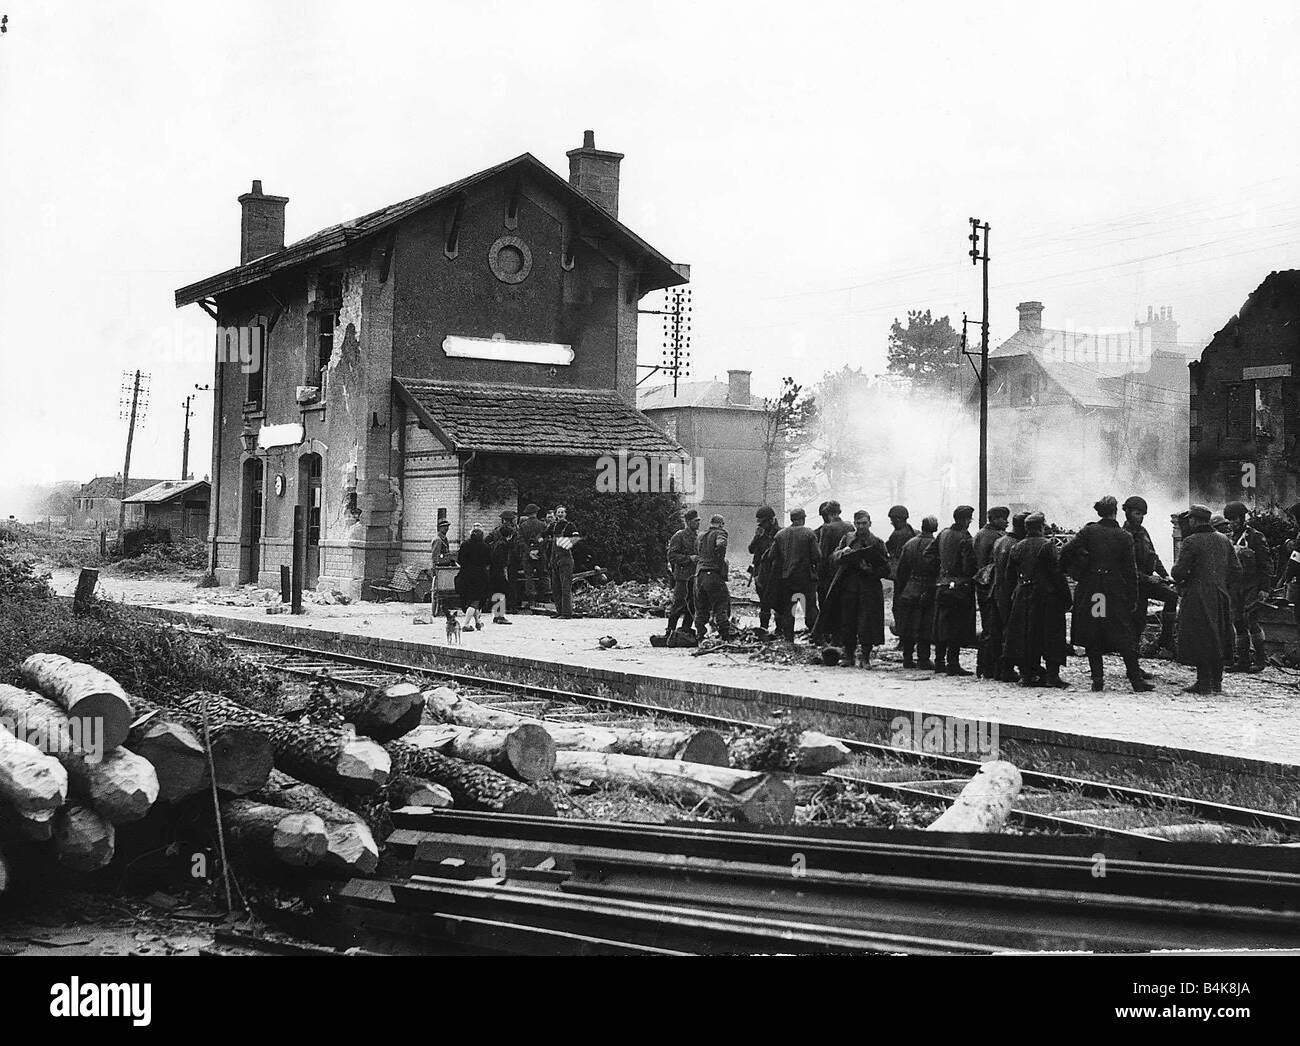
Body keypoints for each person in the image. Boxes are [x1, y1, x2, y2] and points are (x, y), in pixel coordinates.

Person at [1059, 495, 1154, 693]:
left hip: (1095, 591)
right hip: (1115, 591)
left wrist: (1077, 570)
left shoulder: (1089, 531)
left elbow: (1066, 551)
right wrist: (1133, 598)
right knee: (1124, 634)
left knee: (1094, 630)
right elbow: (1130, 572)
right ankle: (1136, 680)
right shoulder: (1123, 536)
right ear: (1115, 512)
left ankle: (1098, 679)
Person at [1172, 504, 1241, 694]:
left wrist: (1182, 578)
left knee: (1201, 637)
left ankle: (1203, 683)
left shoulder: (1191, 541)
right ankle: (1217, 683)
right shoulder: (1224, 540)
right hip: (1220, 595)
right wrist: (1222, 584)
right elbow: (1236, 570)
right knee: (1218, 636)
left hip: (1197, 595)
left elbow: (1178, 572)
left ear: (1194, 520)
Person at [1002, 512, 1071, 687]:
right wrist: (1066, 597)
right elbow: (1056, 573)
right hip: (1046, 597)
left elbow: (1009, 576)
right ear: (1041, 527)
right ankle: (1052, 676)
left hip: (1023, 596)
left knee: (1025, 636)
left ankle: (1027, 675)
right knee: (1052, 636)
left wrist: (1014, 595)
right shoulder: (1047, 546)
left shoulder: (1016, 547)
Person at [819, 510, 891, 667]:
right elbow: (833, 557)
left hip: (868, 587)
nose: (860, 526)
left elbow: (886, 568)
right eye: (858, 523)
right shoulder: (847, 538)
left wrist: (870, 569)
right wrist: (842, 553)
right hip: (849, 586)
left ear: (870, 523)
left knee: (867, 624)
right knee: (848, 622)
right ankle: (849, 656)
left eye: (864, 523)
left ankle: (865, 657)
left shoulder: (877, 542)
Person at [924, 505, 978, 676]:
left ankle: (939, 662)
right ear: (964, 520)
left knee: (941, 625)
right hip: (959, 588)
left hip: (942, 585)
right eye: (969, 519)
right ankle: (953, 664)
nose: (970, 522)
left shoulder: (943, 533)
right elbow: (968, 565)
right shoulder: (965, 537)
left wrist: (940, 572)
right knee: (956, 626)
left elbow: (928, 554)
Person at [1122, 495, 1178, 660]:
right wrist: (1148, 578)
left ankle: (1166, 638)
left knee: (1171, 595)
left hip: (1146, 582)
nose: (1140, 518)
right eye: (1137, 513)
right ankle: (1133, 659)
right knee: (1137, 622)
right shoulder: (1123, 535)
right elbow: (1126, 568)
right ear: (1128, 513)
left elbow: (1153, 556)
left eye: (1142, 515)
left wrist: (1165, 575)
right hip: (1132, 585)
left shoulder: (1143, 532)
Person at [1223, 501, 1273, 673]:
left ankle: (1260, 659)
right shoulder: (1229, 538)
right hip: (1235, 586)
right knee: (1238, 621)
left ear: (1242, 518)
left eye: (1234, 519)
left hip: (1253, 585)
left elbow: (1265, 564)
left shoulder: (1255, 537)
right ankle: (1242, 660)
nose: (1232, 522)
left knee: (1252, 621)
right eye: (1229, 520)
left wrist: (1264, 589)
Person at [893, 515, 939, 669]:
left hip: (909, 588)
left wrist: (904, 587)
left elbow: (901, 571)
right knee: (925, 626)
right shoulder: (934, 545)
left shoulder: (909, 544)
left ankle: (907, 658)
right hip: (927, 589)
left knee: (908, 626)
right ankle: (923, 659)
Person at [770, 507, 821, 642]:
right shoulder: (809, 534)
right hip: (806, 579)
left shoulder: (780, 535)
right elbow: (817, 556)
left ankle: (789, 639)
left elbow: (771, 556)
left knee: (789, 610)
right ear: (803, 518)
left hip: (787, 579)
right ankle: (816, 638)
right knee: (809, 608)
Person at [990, 511, 1028, 682]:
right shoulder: (1017, 545)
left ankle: (994, 669)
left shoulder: (1000, 541)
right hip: (1011, 593)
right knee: (1013, 633)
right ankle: (1008, 669)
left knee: (997, 631)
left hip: (997, 590)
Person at [973, 506, 1010, 679]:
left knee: (987, 627)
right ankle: (992, 667)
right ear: (994, 519)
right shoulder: (996, 537)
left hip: (982, 583)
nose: (1006, 521)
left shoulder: (979, 534)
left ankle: (982, 666)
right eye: (1003, 518)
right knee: (994, 627)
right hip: (992, 584)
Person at [813, 501, 853, 640]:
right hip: (846, 571)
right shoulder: (850, 526)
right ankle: (844, 633)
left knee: (828, 603)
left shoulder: (827, 529)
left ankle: (829, 633)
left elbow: (822, 555)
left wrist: (819, 574)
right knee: (844, 604)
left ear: (828, 514)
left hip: (829, 573)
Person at [694, 514, 733, 639]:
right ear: (721, 524)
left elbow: (697, 550)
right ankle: (725, 635)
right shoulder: (720, 533)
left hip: (699, 575)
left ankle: (700, 634)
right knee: (721, 604)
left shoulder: (700, 535)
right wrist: (719, 559)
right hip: (713, 574)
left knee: (701, 607)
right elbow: (721, 544)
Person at [666, 509, 701, 635]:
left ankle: (686, 629)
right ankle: (670, 630)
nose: (698, 523)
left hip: (694, 577)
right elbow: (672, 556)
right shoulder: (679, 536)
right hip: (682, 577)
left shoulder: (698, 537)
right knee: (678, 604)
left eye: (698, 521)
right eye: (695, 521)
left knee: (693, 605)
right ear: (688, 522)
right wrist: (688, 559)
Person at [747, 506, 780, 632]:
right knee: (764, 603)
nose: (762, 525)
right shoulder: (760, 534)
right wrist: (757, 537)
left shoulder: (779, 533)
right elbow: (751, 549)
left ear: (771, 520)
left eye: (764, 522)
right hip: (761, 573)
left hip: (775, 572)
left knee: (778, 602)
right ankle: (764, 629)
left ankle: (779, 630)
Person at [455, 526, 491, 631]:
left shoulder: (464, 545)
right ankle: (466, 624)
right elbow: (488, 561)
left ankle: (478, 622)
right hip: (479, 577)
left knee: (472, 601)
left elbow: (459, 560)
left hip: (465, 575)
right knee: (475, 602)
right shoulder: (485, 546)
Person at [550, 506, 580, 619]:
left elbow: (576, 539)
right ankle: (559, 611)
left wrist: (566, 543)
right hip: (554, 560)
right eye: (558, 512)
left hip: (566, 560)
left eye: (562, 512)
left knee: (565, 587)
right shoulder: (553, 526)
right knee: (555, 587)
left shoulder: (570, 526)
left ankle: (566, 613)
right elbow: (542, 536)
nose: (560, 514)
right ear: (556, 514)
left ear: (565, 514)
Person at [516, 503, 547, 609]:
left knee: (529, 576)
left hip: (527, 555)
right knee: (542, 575)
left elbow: (520, 541)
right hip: (540, 554)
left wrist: (529, 552)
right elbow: (545, 540)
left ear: (527, 514)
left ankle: (531, 599)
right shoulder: (543, 525)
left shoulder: (523, 526)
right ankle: (543, 597)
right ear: (536, 513)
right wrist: (538, 551)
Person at [488, 518, 516, 624]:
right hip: (499, 571)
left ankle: (497, 615)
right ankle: (500, 616)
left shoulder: (496, 543)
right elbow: (502, 561)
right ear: (509, 535)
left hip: (493, 571)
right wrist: (505, 571)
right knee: (502, 593)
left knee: (496, 593)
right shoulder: (503, 545)